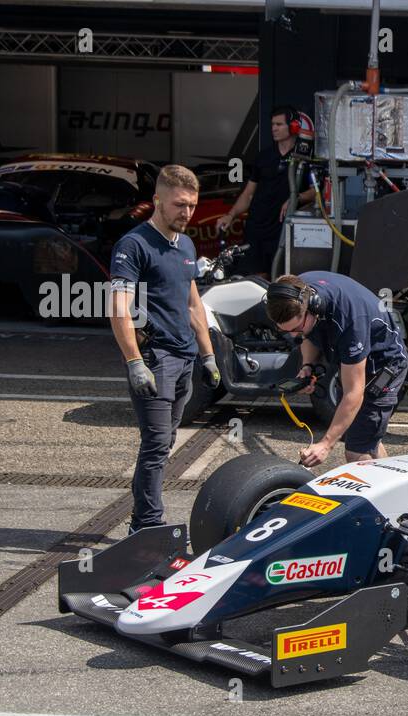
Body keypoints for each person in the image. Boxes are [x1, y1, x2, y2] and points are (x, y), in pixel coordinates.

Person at [109, 164, 221, 535]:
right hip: (155, 359)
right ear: (157, 200)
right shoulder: (133, 245)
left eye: (191, 205)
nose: (186, 213)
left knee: (168, 441)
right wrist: (134, 362)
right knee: (156, 444)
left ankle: (146, 521)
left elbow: (193, 305)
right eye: (179, 205)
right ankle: (146, 525)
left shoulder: (186, 244)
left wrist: (208, 355)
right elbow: (119, 309)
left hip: (185, 357)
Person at [265, 272, 408, 465]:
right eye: (286, 331)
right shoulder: (294, 292)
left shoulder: (349, 320)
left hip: (385, 367)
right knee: (366, 438)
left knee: (356, 453)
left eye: (296, 329)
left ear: (313, 307)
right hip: (354, 360)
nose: (293, 336)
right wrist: (308, 365)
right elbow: (308, 335)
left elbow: (354, 392)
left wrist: (325, 445)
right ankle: (394, 488)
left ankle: (379, 491)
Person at [216, 105, 316, 277]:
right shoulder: (264, 156)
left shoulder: (305, 158)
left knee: (280, 277)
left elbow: (316, 192)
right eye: (272, 125)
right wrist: (231, 215)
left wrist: (296, 198)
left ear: (293, 127)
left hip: (281, 230)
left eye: (279, 124)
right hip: (256, 229)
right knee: (251, 278)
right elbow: (248, 193)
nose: (274, 128)